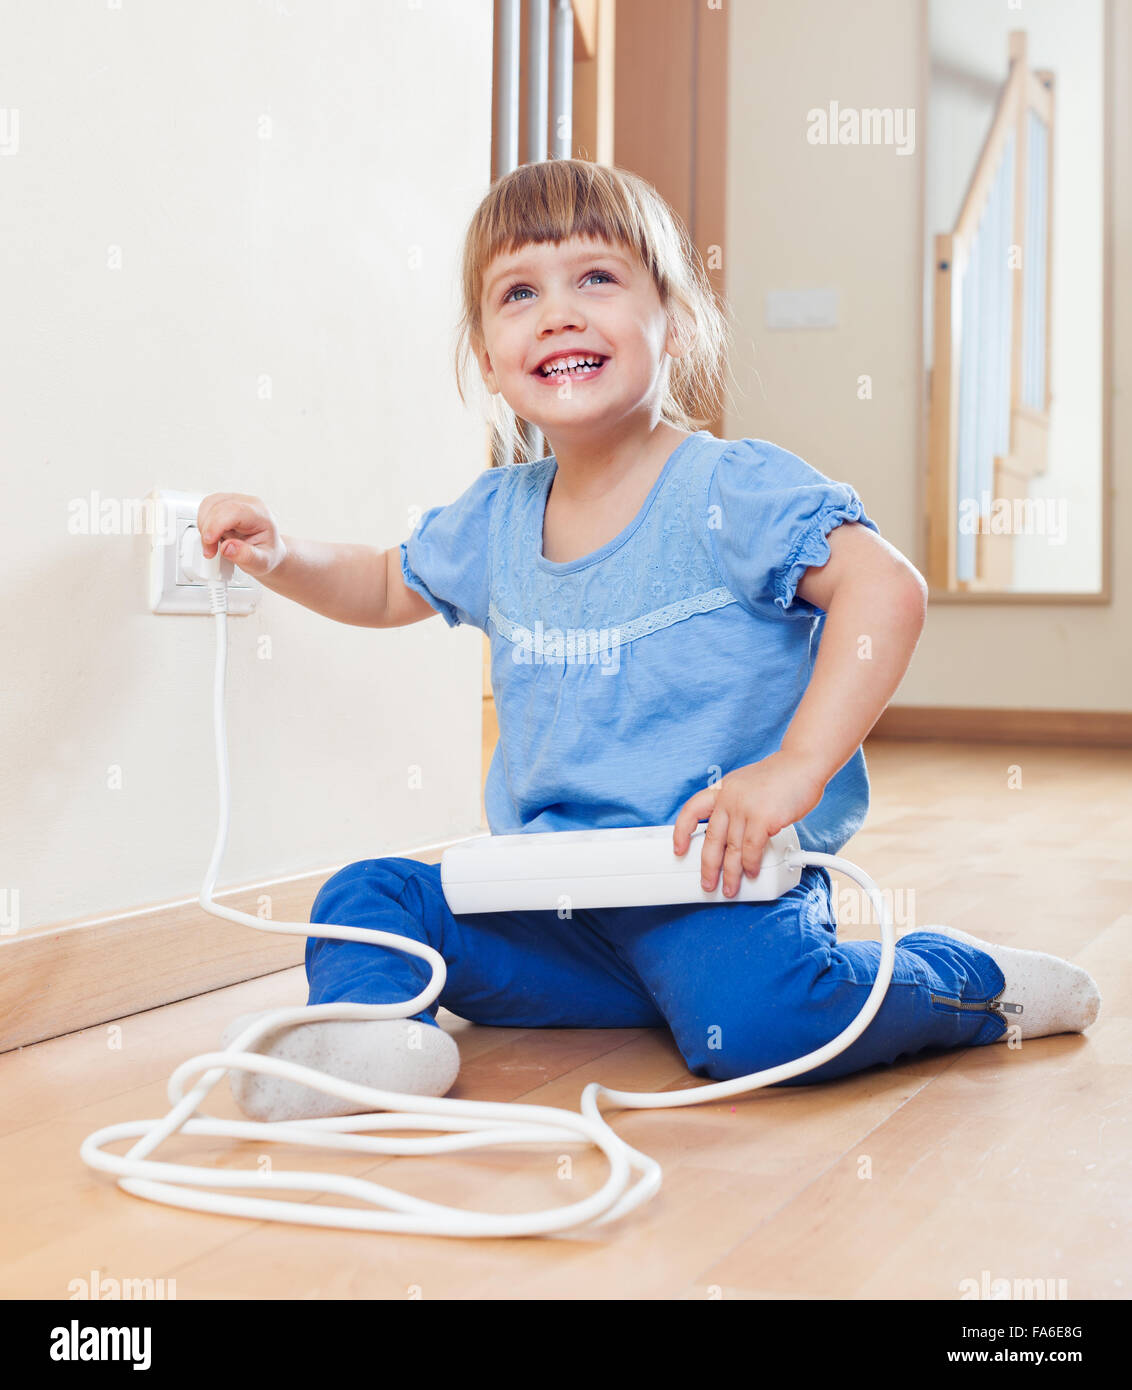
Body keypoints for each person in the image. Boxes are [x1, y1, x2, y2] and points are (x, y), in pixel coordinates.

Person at [198, 159, 1100, 1123]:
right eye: (519, 293)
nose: (558, 314)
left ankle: (965, 982)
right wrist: (281, 553)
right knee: (369, 895)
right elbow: (384, 582)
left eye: (596, 279)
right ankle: (358, 1037)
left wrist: (796, 767)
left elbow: (886, 588)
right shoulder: (495, 516)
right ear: (489, 356)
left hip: (713, 894)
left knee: (766, 1029)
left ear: (674, 318)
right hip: (552, 907)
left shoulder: (731, 490)